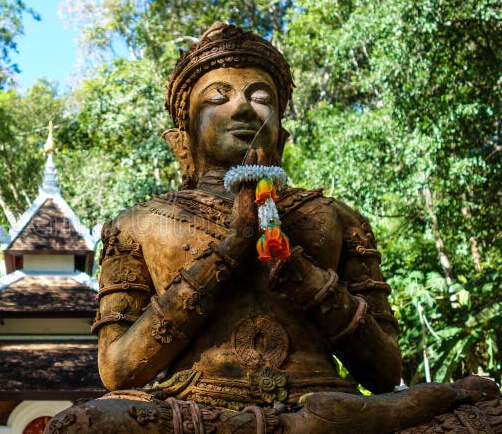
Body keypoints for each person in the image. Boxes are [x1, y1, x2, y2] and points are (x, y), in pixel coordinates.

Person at [46, 23, 500, 434]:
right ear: (182, 137)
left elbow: (385, 370)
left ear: (280, 132)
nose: (244, 108)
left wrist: (304, 278)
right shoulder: (138, 224)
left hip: (328, 400)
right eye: (218, 97)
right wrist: (229, 253)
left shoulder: (335, 217)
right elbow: (118, 370)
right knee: (82, 425)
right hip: (197, 410)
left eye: (261, 97)